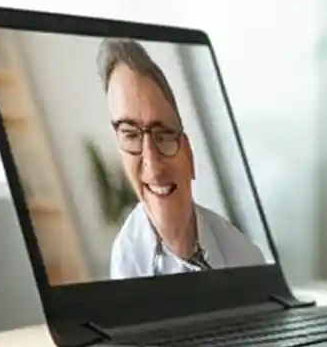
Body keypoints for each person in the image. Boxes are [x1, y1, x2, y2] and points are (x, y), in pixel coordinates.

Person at [100, 38, 266, 278]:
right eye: (131, 135)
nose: (153, 167)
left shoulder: (241, 252)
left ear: (188, 153)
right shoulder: (127, 263)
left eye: (163, 135)